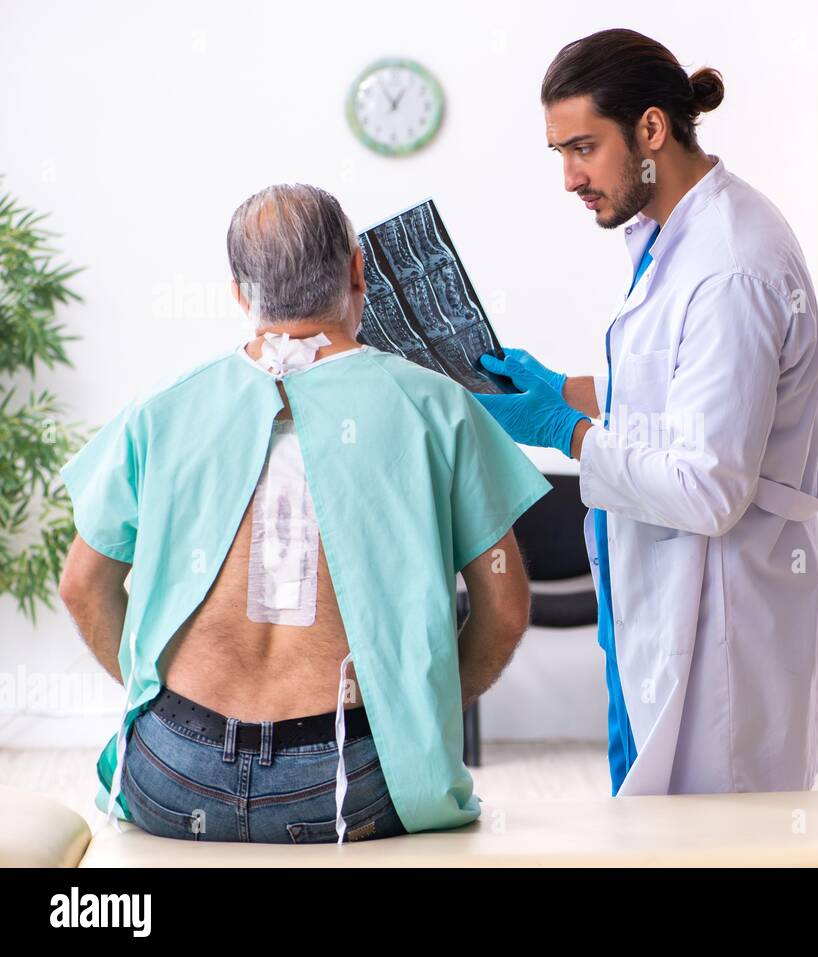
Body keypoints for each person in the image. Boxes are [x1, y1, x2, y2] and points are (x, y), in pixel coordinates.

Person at [57, 183, 549, 843]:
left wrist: (155, 695)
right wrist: (416, 713)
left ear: (239, 291)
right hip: (351, 772)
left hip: (171, 768)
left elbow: (81, 584)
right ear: (357, 270)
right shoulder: (438, 406)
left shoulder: (162, 410)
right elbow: (507, 607)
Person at [474, 29, 818, 797]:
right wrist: (560, 391)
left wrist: (563, 432)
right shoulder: (672, 234)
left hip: (719, 616)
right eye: (559, 154)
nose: (570, 178)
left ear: (650, 130)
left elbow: (709, 486)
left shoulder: (730, 265)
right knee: (649, 828)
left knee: (715, 838)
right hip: (653, 595)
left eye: (583, 148)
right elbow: (675, 395)